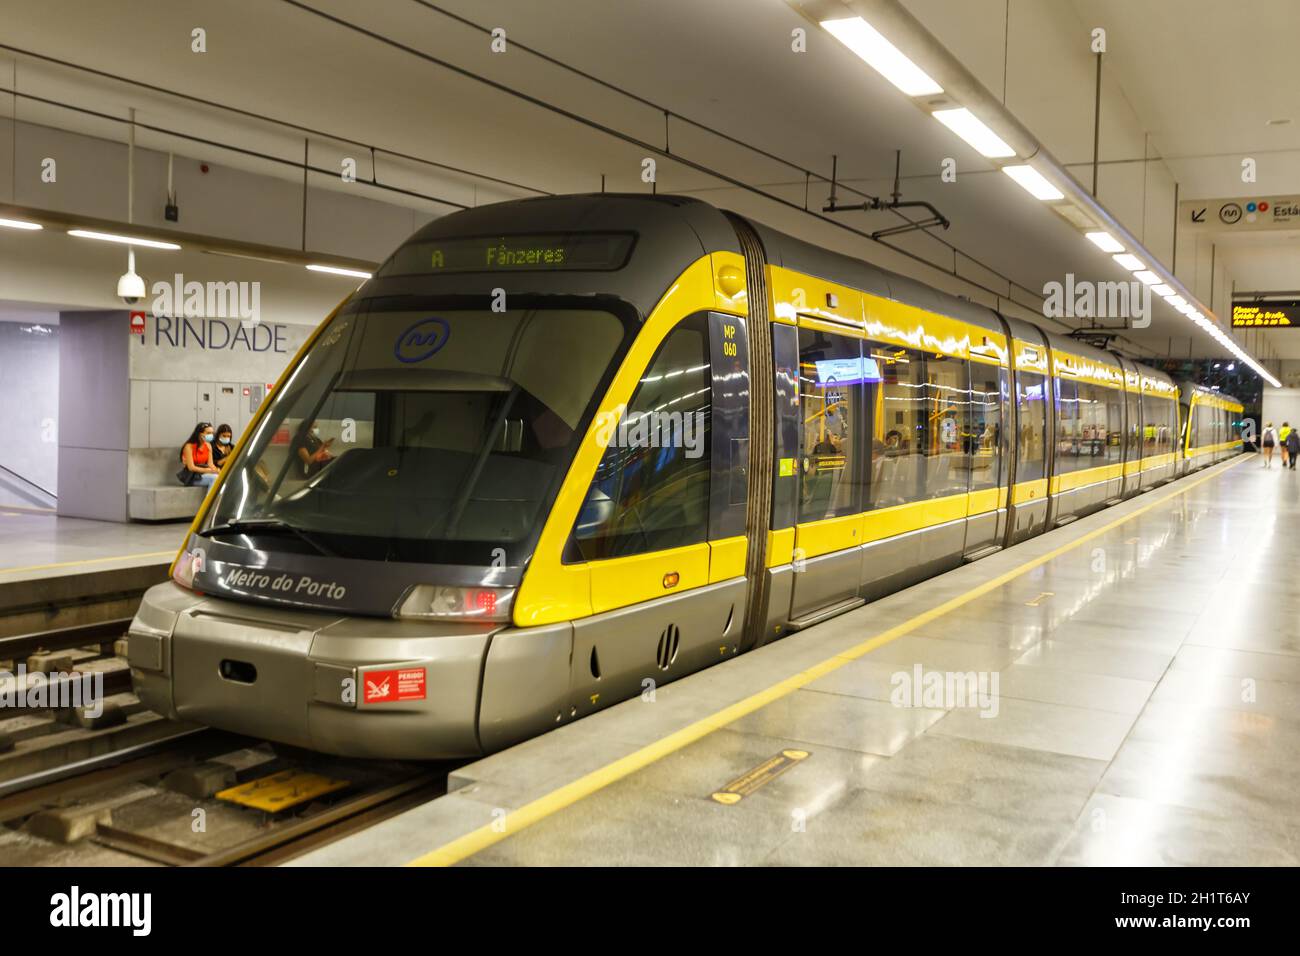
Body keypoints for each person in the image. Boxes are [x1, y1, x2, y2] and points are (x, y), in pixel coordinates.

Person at [177, 422, 220, 488]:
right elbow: (191, 468)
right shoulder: (189, 447)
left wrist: (216, 470)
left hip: (204, 474)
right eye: (208, 433)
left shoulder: (208, 445)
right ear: (200, 434)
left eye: (212, 433)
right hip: (192, 476)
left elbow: (210, 464)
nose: (211, 435)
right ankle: (210, 498)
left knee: (220, 476)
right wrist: (207, 470)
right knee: (214, 478)